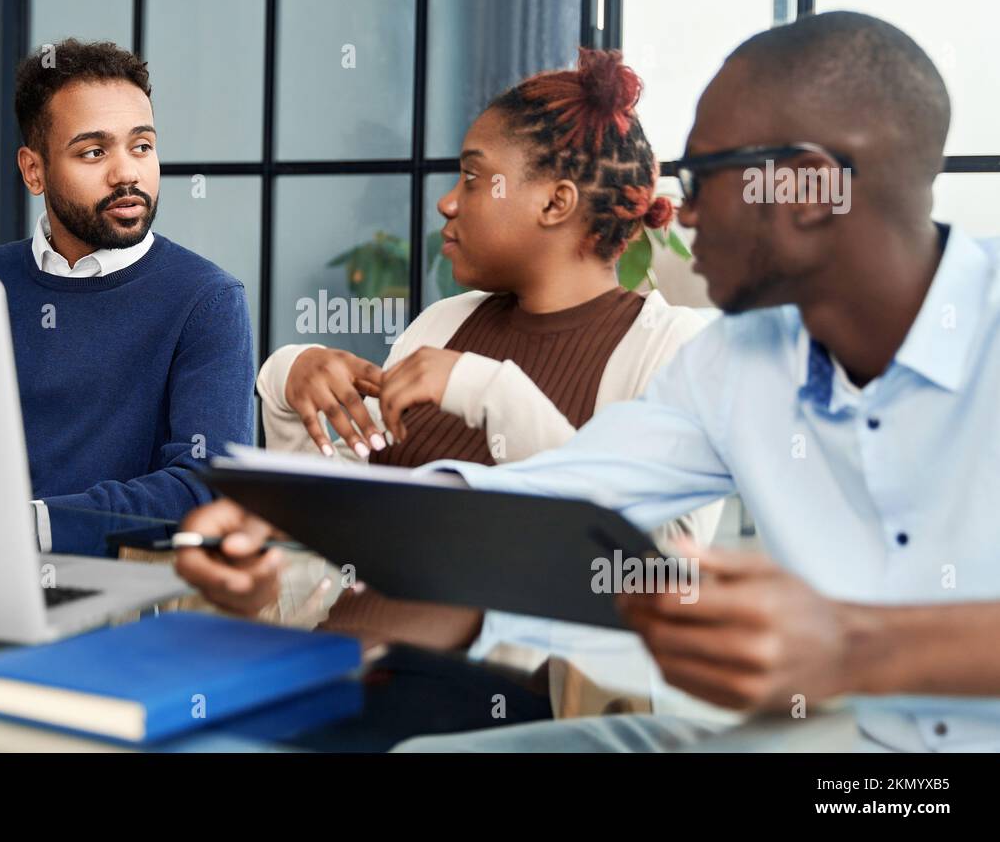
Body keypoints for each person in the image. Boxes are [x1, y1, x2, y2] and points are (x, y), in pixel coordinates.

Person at [179, 12, 1000, 752]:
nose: (677, 214)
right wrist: (296, 508)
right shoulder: (735, 362)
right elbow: (566, 496)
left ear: (807, 187)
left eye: (703, 177)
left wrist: (853, 645)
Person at [187, 49, 718, 668]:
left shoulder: (671, 347)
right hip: (323, 664)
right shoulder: (444, 323)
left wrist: (489, 391)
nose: (447, 202)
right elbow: (334, 526)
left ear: (556, 203)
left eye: (472, 177)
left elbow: (656, 571)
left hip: (483, 702)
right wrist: (290, 380)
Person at [0, 39, 254, 557]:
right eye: (94, 152)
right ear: (34, 171)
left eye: (142, 146)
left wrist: (30, 527)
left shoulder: (207, 302)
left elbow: (206, 488)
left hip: (116, 582)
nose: (127, 174)